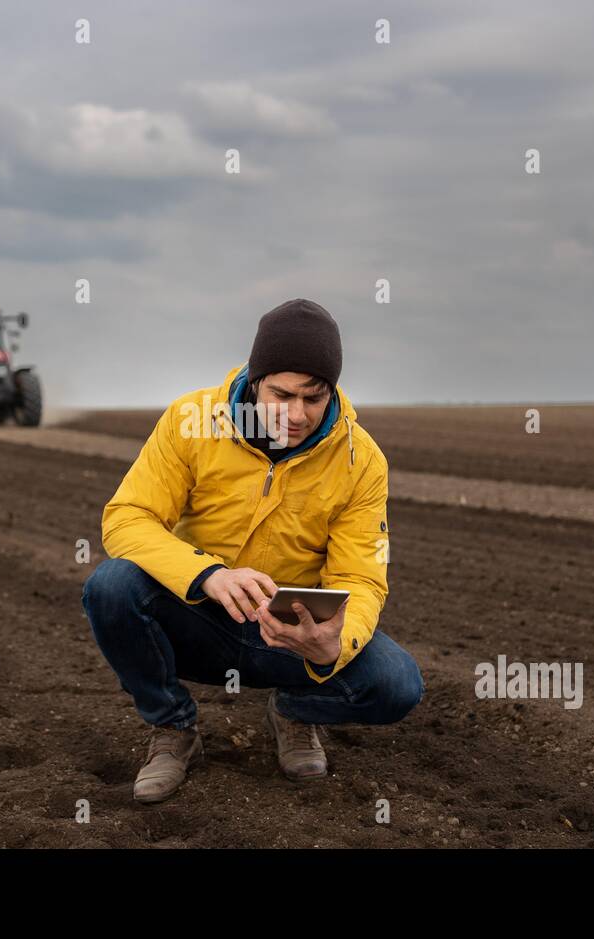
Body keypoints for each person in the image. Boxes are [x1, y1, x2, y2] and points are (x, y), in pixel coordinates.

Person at [81, 298, 423, 803]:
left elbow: (362, 578)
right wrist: (208, 576)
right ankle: (173, 731)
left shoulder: (361, 460)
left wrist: (334, 643)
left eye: (314, 396)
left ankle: (293, 712)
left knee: (397, 684)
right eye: (281, 394)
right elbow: (128, 517)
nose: (297, 414)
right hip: (199, 615)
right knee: (110, 587)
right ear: (255, 379)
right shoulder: (190, 422)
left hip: (288, 633)